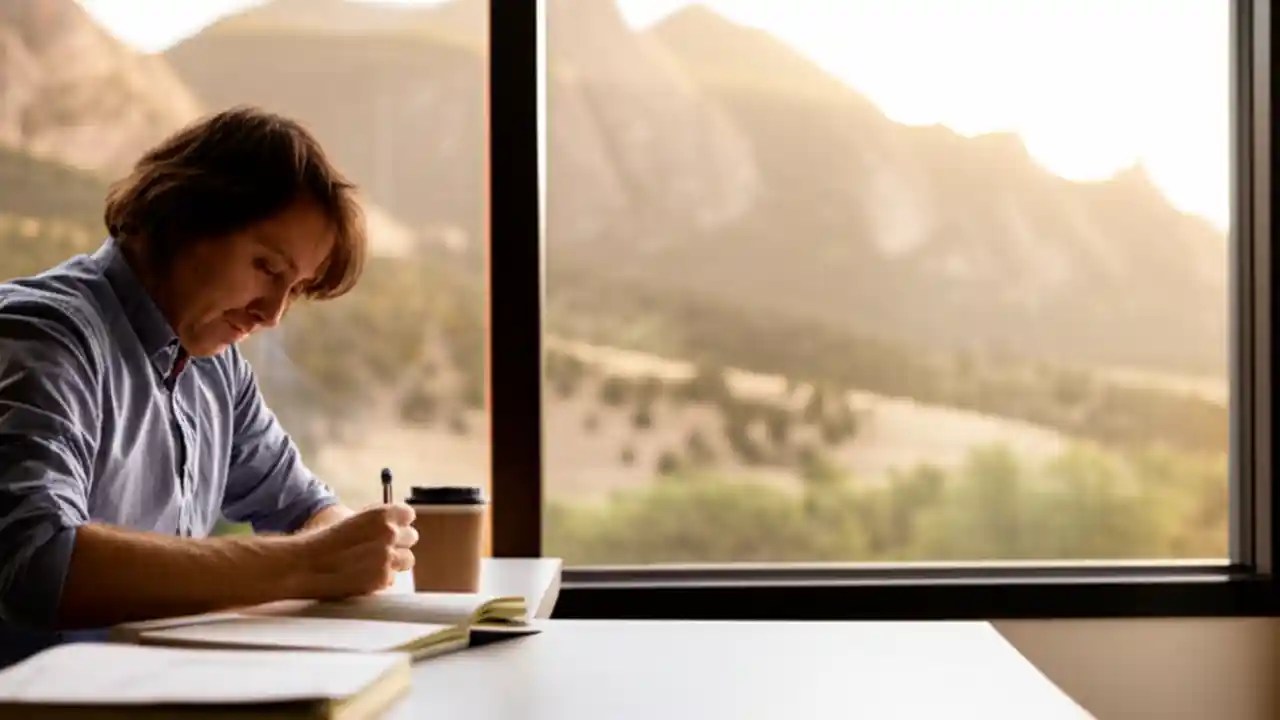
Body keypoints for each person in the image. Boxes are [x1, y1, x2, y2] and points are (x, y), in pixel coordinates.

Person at [0, 106, 418, 660]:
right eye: (267, 268)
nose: (272, 314)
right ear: (183, 215)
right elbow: (35, 562)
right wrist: (312, 564)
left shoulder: (215, 367)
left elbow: (305, 508)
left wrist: (351, 548)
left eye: (295, 290)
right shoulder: (44, 337)